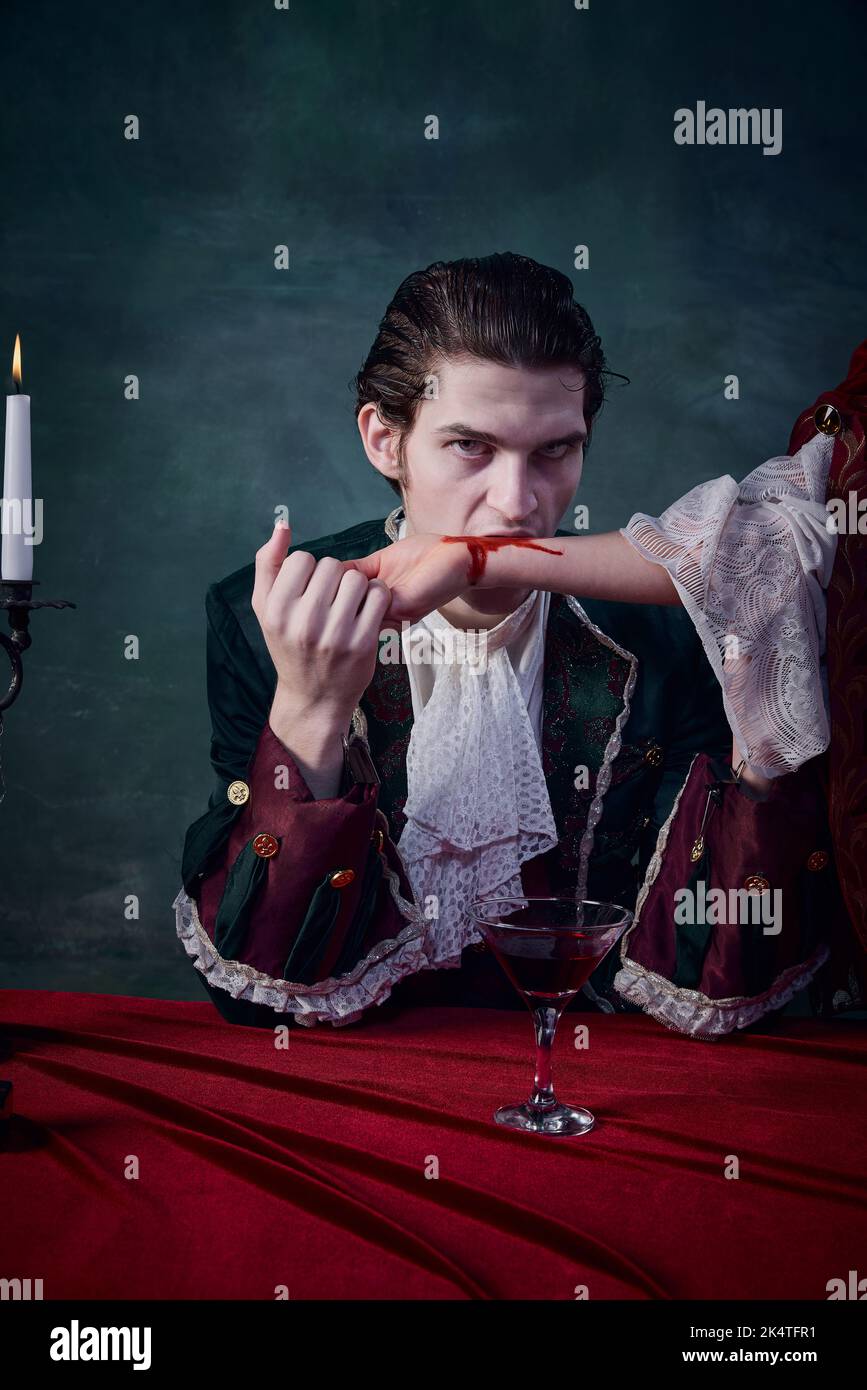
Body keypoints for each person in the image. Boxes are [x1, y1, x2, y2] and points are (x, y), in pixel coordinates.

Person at [174, 253, 865, 1038]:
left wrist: (759, 757)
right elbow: (257, 991)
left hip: (602, 1085)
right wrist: (310, 706)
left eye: (554, 451)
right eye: (470, 446)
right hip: (364, 1076)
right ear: (383, 439)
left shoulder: (670, 627)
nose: (516, 501)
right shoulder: (260, 619)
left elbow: (711, 985)